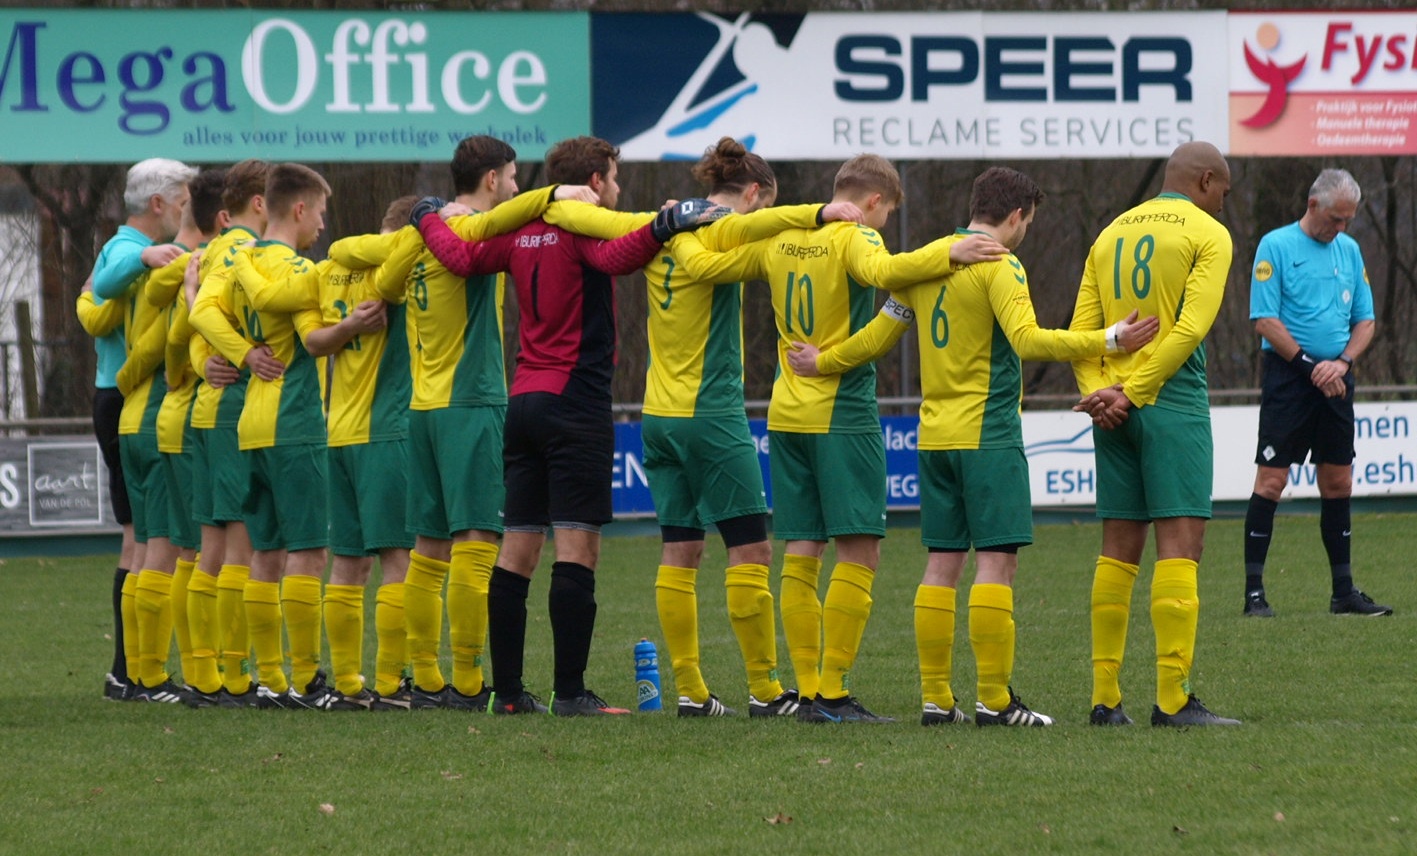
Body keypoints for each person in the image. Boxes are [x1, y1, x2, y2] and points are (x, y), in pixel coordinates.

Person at [789, 167, 1157, 728]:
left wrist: (824, 362)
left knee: (940, 564)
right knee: (995, 564)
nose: (1025, 233)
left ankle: (937, 700)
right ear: (1014, 217)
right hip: (987, 435)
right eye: (1027, 223)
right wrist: (1110, 338)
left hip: (933, 437)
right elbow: (1028, 340)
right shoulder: (999, 264)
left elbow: (877, 338)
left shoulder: (933, 258)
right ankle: (993, 700)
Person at [668, 154, 1006, 723]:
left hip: (785, 414)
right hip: (841, 411)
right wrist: (950, 250)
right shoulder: (852, 237)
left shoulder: (783, 237)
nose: (883, 223)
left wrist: (672, 227)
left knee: (801, 549)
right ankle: (831, 690)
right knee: (860, 551)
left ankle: (804, 691)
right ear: (874, 202)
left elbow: (703, 266)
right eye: (888, 213)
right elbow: (887, 273)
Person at [411, 135, 730, 716]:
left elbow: (457, 257)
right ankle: (572, 693)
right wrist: (666, 227)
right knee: (577, 550)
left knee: (516, 553)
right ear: (593, 182)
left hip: (523, 400)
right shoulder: (580, 229)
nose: (618, 191)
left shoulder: (517, 230)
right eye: (613, 179)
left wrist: (424, 213)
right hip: (573, 405)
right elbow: (618, 257)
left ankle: (507, 695)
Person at [544, 136, 863, 718]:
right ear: (754, 193)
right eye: (764, 208)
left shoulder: (660, 230)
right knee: (751, 550)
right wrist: (819, 214)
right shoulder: (715, 229)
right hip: (709, 415)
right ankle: (767, 691)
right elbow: (750, 238)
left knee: (681, 549)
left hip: (657, 415)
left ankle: (691, 691)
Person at [359, 136, 598, 713]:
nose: (516, 187)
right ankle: (467, 682)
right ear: (491, 179)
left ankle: (425, 676)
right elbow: (524, 212)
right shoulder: (469, 230)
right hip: (472, 401)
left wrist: (422, 217)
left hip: (421, 410)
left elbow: (383, 285)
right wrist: (553, 195)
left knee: (427, 546)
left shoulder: (419, 238)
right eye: (512, 177)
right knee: (475, 542)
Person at [1070, 141, 1242, 728]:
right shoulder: (1207, 233)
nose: (1225, 201)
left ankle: (1104, 700)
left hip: (1111, 410)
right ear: (1205, 180)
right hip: (1168, 401)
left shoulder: (1111, 231)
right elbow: (1191, 327)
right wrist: (1136, 392)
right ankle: (1172, 700)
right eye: (1224, 190)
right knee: (1181, 545)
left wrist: (1101, 393)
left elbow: (1083, 330)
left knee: (1117, 551)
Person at [190, 162, 334, 709]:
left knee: (264, 556)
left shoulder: (236, 255)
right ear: (299, 209)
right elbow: (311, 333)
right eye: (319, 211)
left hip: (249, 420)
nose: (322, 223)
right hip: (293, 420)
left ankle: (270, 679)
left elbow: (202, 310)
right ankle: (308, 679)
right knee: (307, 554)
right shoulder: (293, 267)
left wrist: (242, 353)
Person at [1241, 169, 1387, 618]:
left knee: (1339, 481)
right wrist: (1309, 366)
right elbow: (1264, 319)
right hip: (1289, 379)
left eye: (1347, 221)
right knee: (1272, 480)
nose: (1340, 228)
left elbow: (1366, 321)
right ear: (1312, 205)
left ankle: (1343, 593)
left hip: (1337, 380)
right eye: (1335, 219)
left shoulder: (1350, 250)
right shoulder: (1276, 246)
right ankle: (1254, 594)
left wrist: (1341, 363)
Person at [113, 168, 227, 705]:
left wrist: (124, 380)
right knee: (174, 551)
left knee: (145, 552)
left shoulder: (149, 266)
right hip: (165, 416)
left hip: (134, 419)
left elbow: (98, 314)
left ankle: (138, 675)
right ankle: (156, 677)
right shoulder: (189, 267)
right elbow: (165, 345)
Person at [88, 157, 195, 703]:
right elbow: (103, 285)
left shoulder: (132, 249)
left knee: (139, 539)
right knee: (144, 539)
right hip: (124, 397)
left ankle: (126, 671)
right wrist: (145, 256)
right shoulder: (127, 247)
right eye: (179, 200)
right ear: (158, 204)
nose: (183, 210)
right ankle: (130, 672)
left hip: (125, 398)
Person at [180, 159, 276, 706]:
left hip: (211, 408)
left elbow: (192, 319)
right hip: (231, 409)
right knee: (237, 544)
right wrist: (244, 355)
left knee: (213, 547)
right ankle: (233, 677)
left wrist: (203, 358)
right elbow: (203, 319)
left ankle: (204, 673)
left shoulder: (211, 249)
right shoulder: (240, 249)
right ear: (259, 202)